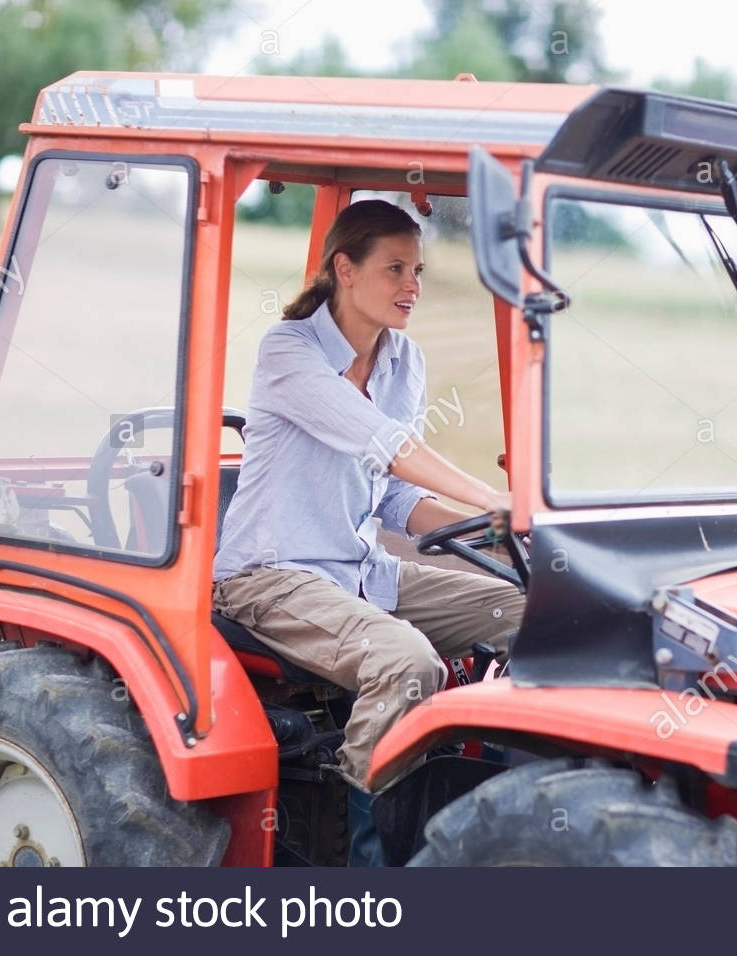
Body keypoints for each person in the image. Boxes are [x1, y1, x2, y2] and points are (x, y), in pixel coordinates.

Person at [212, 199, 525, 866]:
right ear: (344, 270)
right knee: (404, 660)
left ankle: (496, 816)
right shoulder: (288, 351)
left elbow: (397, 499)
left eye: (417, 269)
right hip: (268, 575)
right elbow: (384, 444)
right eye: (395, 269)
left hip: (359, 570)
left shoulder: (403, 361)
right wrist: (491, 494)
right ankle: (369, 857)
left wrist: (495, 527)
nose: (413, 285)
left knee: (530, 615)